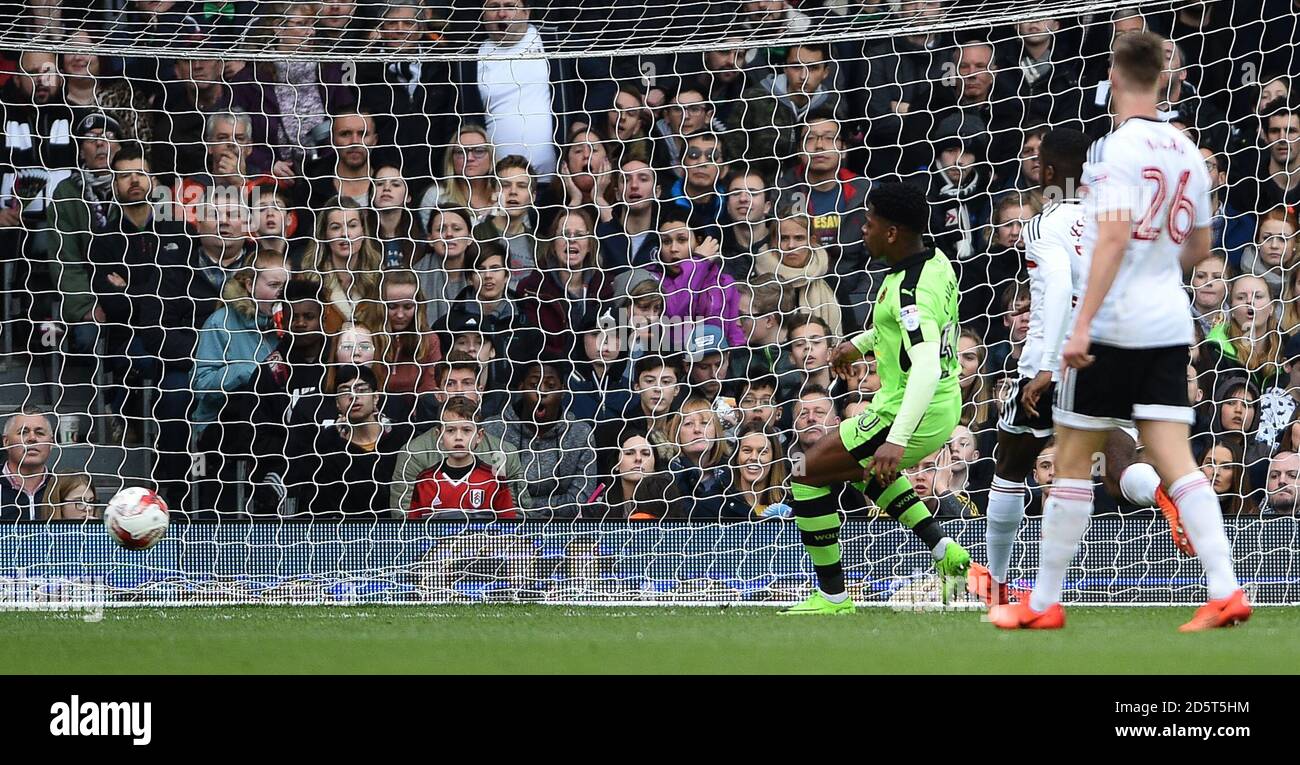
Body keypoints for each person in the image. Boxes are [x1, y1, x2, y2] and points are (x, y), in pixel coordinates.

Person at [992, 33, 1249, 632]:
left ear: (1114, 74)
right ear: (1165, 78)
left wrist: (1079, 330)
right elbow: (1202, 247)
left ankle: (1041, 603)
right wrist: (1160, 276)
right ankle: (1226, 590)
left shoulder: (1113, 148)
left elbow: (1108, 241)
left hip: (1114, 323)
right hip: (1169, 320)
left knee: (1075, 459)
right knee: (1175, 463)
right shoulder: (1187, 149)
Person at [973, 128, 1173, 607]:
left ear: (1046, 172)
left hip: (1058, 360)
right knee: (1118, 464)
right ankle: (1166, 492)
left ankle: (996, 583)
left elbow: (1059, 289)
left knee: (1011, 464)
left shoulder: (1045, 224)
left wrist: (1045, 367)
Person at [783, 182, 971, 614]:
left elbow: (922, 365)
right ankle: (946, 553)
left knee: (807, 472)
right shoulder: (935, 262)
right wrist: (860, 344)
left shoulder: (911, 292)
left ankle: (833, 597)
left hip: (912, 409)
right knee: (858, 469)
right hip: (932, 402)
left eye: (868, 224)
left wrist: (898, 437)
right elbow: (906, 333)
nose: (862, 231)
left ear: (891, 233)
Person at [406, 397, 517, 520]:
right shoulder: (425, 480)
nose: (458, 437)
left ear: (479, 436)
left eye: (466, 430)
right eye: (450, 430)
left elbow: (509, 528)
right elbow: (414, 531)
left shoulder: (494, 480)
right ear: (439, 436)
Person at [0, 409, 54, 521]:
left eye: (39, 433)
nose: (32, 438)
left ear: (51, 443)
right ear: (6, 442)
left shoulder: (62, 485)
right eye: (23, 432)